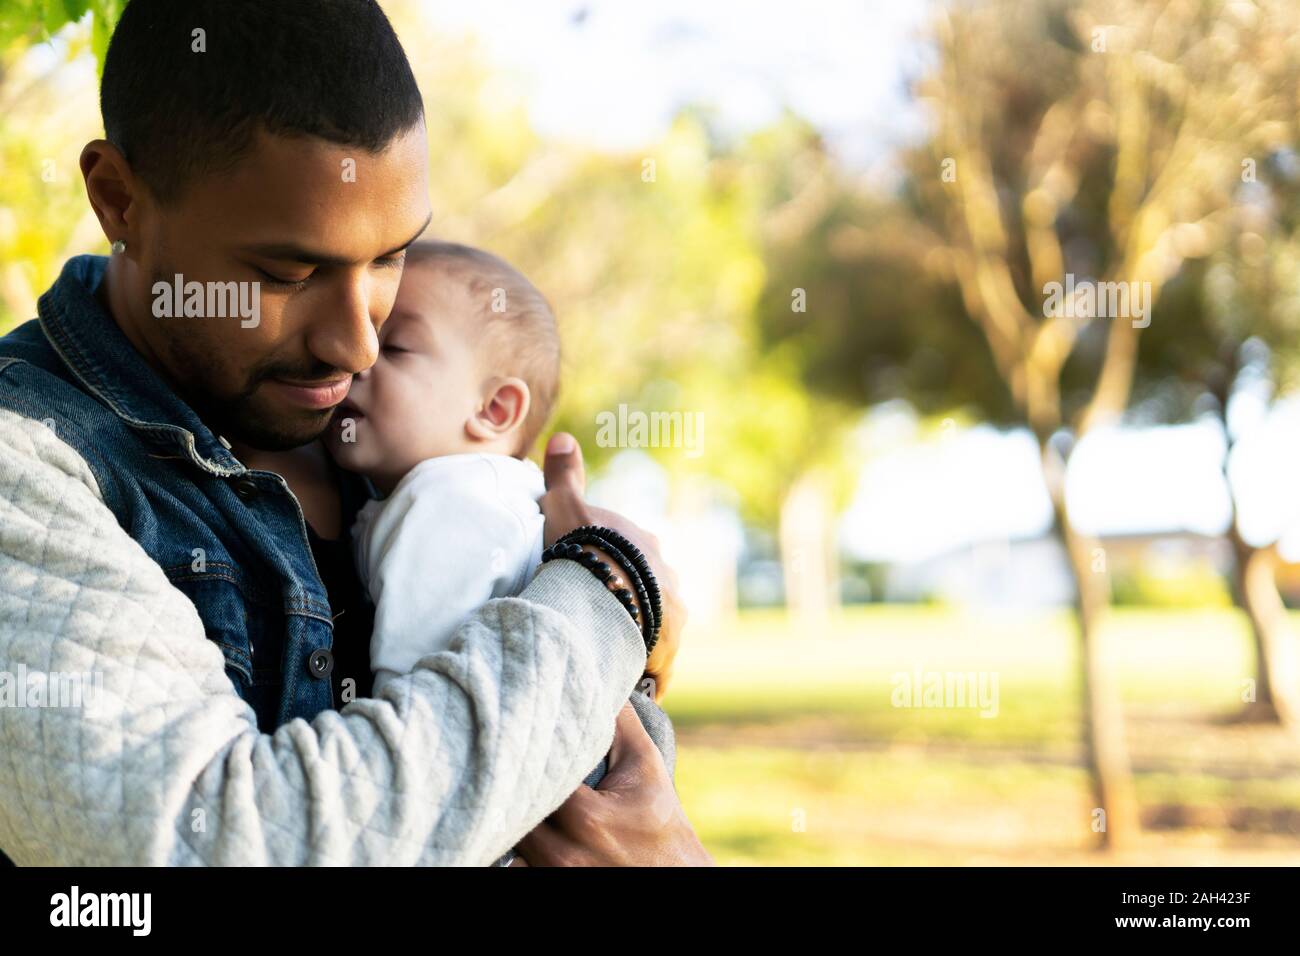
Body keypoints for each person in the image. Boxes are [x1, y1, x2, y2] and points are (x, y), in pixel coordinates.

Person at [0, 0, 708, 866]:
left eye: (390, 256)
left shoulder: (398, 429)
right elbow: (219, 844)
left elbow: (628, 784)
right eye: (287, 272)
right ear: (119, 200)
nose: (358, 343)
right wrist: (606, 591)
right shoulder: (25, 459)